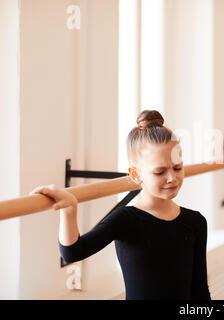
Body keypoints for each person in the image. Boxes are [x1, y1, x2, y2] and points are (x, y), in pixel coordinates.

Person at [30, 110, 211, 300]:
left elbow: (199, 291)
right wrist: (69, 210)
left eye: (177, 167)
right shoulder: (126, 220)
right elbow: (73, 252)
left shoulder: (195, 222)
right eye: (159, 172)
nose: (171, 178)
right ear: (136, 174)